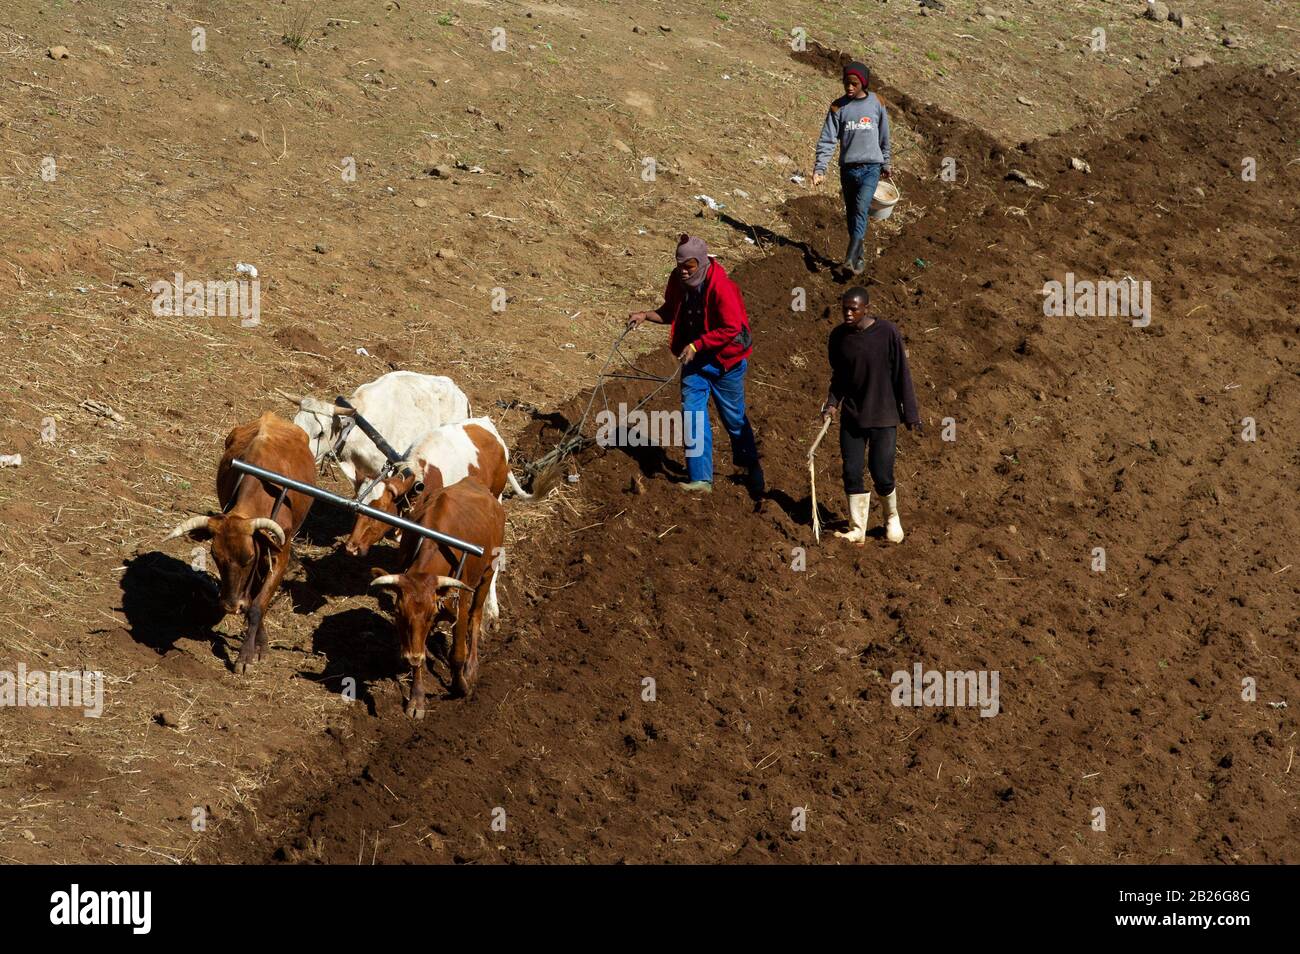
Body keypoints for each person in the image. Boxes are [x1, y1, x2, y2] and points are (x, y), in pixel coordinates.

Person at [628, 235, 764, 495]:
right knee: (692, 414)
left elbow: (731, 327)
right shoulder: (678, 281)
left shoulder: (721, 286)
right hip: (696, 358)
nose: (683, 270)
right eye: (679, 264)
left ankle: (751, 466)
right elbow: (670, 311)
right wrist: (645, 315)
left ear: (701, 262)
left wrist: (697, 345)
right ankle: (701, 479)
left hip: (726, 361)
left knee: (734, 418)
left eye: (688, 265)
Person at [821, 286, 919, 544]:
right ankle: (857, 528)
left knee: (881, 472)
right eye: (845, 309)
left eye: (854, 309)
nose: (849, 313)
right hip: (852, 416)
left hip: (883, 416)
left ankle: (891, 518)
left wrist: (910, 413)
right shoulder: (839, 337)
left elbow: (902, 374)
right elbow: (839, 377)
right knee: (852, 470)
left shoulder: (887, 333)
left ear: (866, 308)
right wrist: (832, 403)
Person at [811, 61, 892, 276]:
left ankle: (848, 259)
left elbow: (884, 136)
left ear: (863, 83)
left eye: (854, 83)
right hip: (848, 169)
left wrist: (886, 162)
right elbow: (827, 140)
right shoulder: (838, 107)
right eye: (846, 83)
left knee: (861, 207)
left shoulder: (877, 103)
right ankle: (859, 258)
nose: (849, 87)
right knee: (852, 213)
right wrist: (820, 169)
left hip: (871, 167)